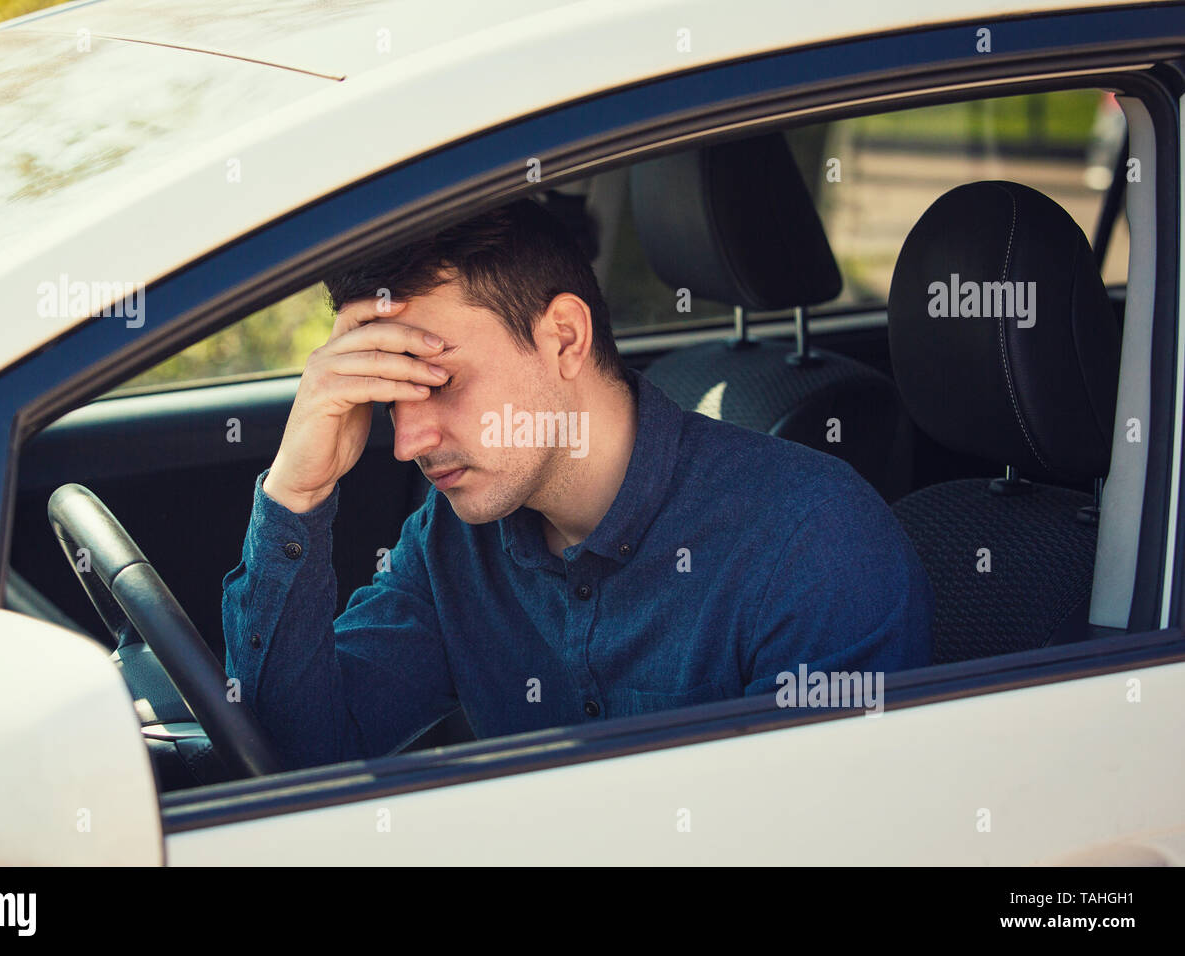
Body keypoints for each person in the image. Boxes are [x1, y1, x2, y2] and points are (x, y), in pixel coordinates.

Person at [222, 198, 932, 771]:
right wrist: (298, 494)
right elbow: (301, 760)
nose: (408, 442)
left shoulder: (813, 542)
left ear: (563, 337)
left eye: (438, 379)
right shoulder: (454, 542)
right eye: (390, 397)